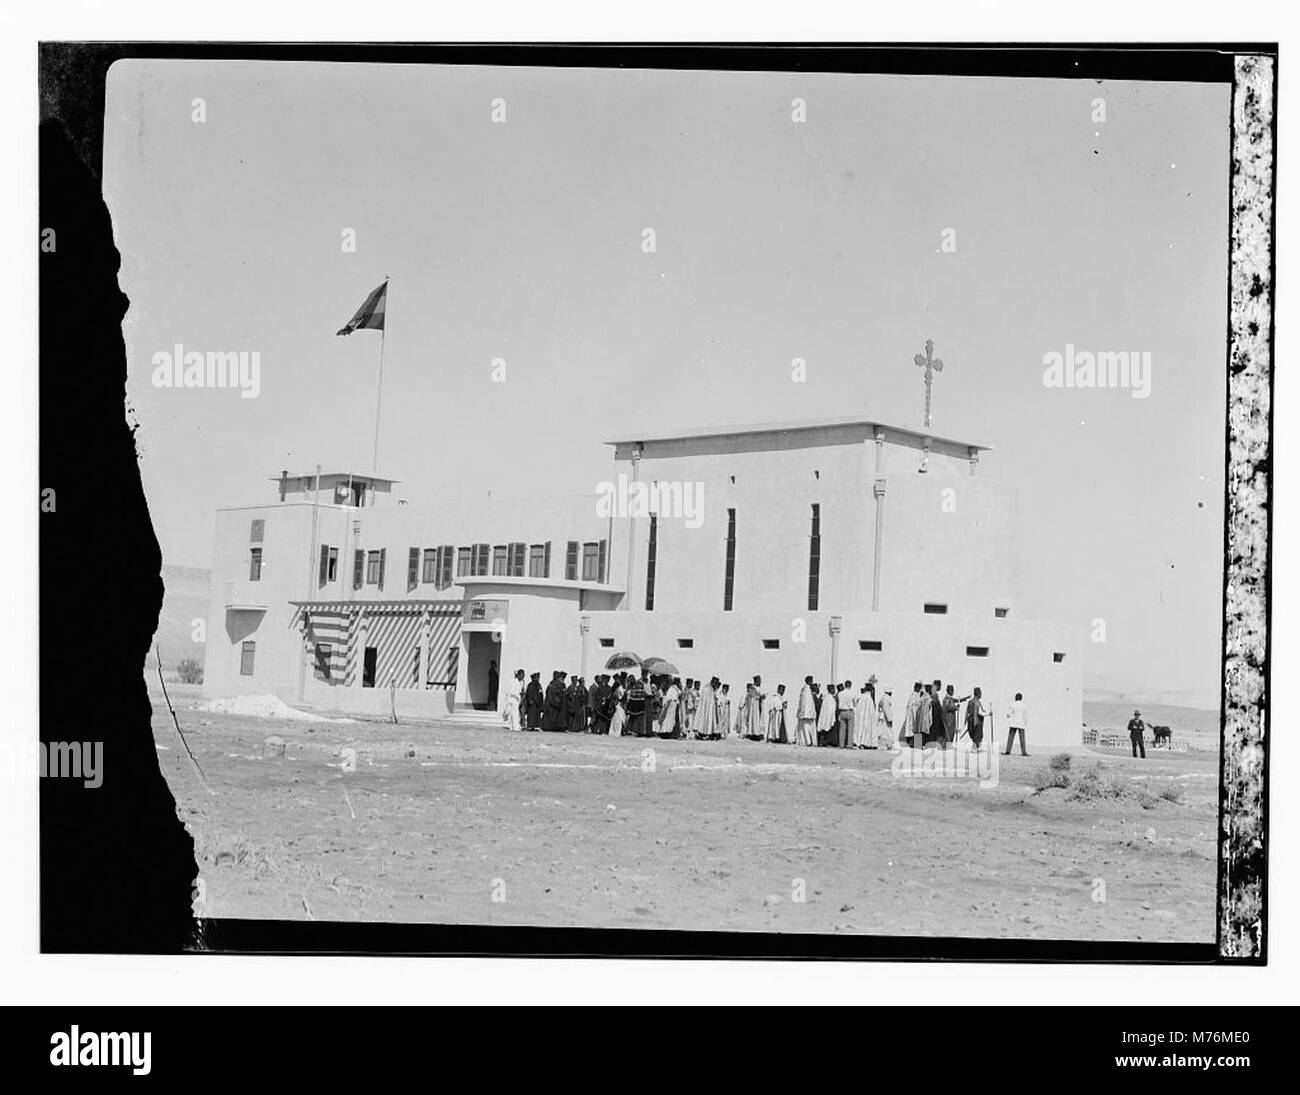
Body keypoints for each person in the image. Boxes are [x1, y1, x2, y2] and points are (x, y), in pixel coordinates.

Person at [965, 686, 987, 770]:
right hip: (976, 720)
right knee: (977, 733)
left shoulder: (971, 701)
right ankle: (975, 748)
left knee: (975, 733)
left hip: (971, 719)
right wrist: (988, 714)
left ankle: (977, 747)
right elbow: (980, 712)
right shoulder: (977, 702)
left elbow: (967, 711)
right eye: (980, 693)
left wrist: (965, 721)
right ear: (978, 694)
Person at [942, 684, 969, 750]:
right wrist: (956, 707)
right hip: (948, 719)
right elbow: (948, 707)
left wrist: (964, 699)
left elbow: (956, 700)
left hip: (951, 718)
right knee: (948, 731)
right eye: (952, 691)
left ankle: (950, 744)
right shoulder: (946, 699)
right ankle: (947, 744)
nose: (953, 692)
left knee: (952, 731)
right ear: (949, 691)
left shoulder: (950, 698)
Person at [853, 682, 876, 748]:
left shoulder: (862, 697)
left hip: (862, 718)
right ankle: (865, 742)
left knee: (861, 729)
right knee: (867, 729)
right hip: (867, 718)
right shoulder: (869, 698)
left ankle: (860, 741)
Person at [626, 672, 649, 737]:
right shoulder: (632, 685)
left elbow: (642, 692)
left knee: (637, 717)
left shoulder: (639, 684)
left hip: (638, 703)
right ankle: (632, 730)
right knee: (633, 717)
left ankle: (637, 730)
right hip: (635, 703)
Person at [796, 676, 817, 746]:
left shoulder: (807, 689)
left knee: (810, 727)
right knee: (805, 727)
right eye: (811, 681)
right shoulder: (806, 690)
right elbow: (805, 702)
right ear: (809, 681)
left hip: (808, 712)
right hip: (806, 712)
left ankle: (811, 741)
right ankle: (807, 741)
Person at [903, 682, 924, 748]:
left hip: (912, 718)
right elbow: (915, 710)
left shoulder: (914, 696)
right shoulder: (915, 697)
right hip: (914, 718)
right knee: (914, 730)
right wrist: (917, 719)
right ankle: (915, 743)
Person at [930, 680, 948, 749]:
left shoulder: (934, 693)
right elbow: (935, 704)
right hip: (935, 715)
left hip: (936, 714)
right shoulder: (934, 693)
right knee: (936, 729)